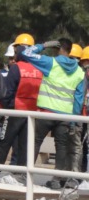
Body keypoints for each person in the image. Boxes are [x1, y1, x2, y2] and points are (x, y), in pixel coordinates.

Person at [18, 38, 86, 183]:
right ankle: (57, 180)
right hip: (65, 117)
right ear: (70, 50)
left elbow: (25, 53)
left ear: (58, 49)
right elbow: (78, 101)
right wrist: (74, 122)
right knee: (61, 147)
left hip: (46, 113)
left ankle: (26, 176)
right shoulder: (80, 73)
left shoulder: (50, 63)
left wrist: (43, 45)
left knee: (35, 142)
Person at [0, 33, 41, 168]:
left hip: (16, 111)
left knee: (5, 143)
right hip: (33, 112)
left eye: (15, 50)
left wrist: (8, 107)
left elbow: (7, 92)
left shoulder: (16, 68)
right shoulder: (39, 68)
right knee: (24, 144)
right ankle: (21, 175)